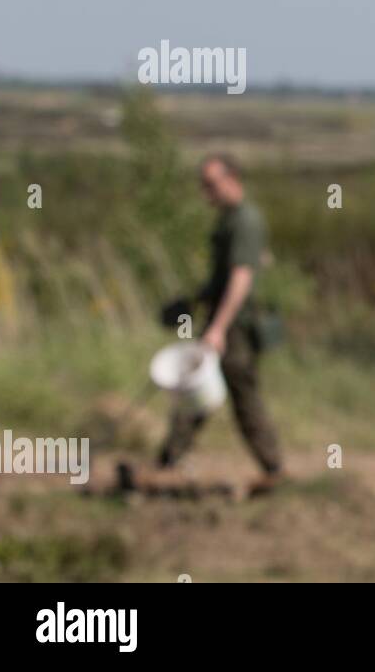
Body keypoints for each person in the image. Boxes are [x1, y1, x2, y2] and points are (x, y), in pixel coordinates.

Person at [157, 152, 284, 494]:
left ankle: (274, 469)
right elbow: (224, 278)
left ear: (232, 179)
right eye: (203, 185)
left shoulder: (246, 220)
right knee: (202, 389)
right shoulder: (230, 219)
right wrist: (193, 302)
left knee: (226, 393)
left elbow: (241, 278)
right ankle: (169, 459)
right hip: (226, 322)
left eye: (212, 184)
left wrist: (218, 328)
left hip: (235, 327)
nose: (206, 193)